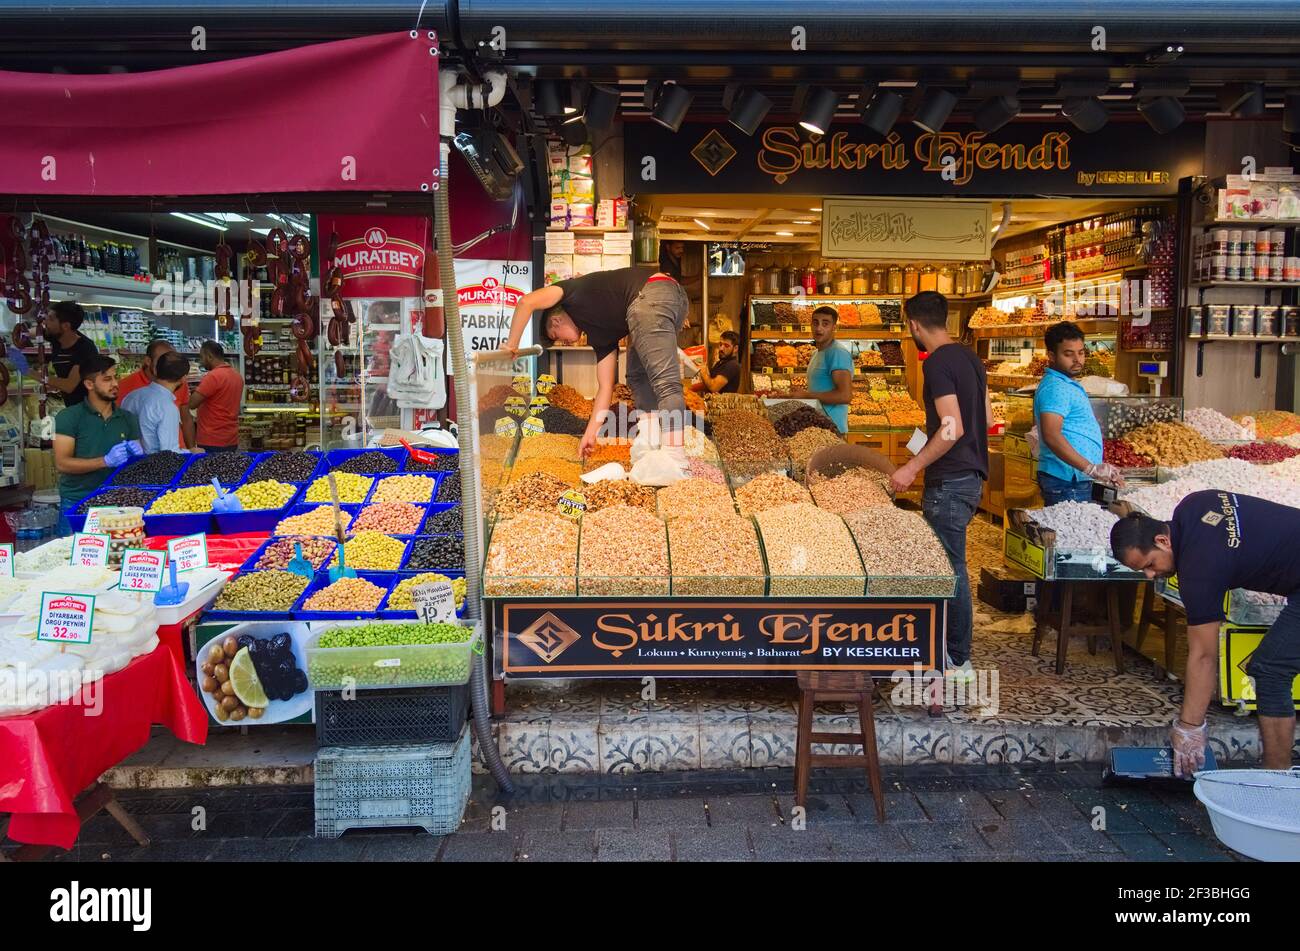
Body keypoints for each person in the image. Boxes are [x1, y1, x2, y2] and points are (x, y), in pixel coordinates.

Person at [1112, 491, 1300, 774]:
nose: (1150, 576)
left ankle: (1276, 782)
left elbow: (1204, 657)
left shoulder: (1197, 569)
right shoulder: (1193, 503)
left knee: (1270, 669)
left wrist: (1189, 728)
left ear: (1162, 541)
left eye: (1150, 565)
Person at [892, 291, 989, 688]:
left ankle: (956, 658)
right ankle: (948, 651)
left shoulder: (937, 364)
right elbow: (978, 416)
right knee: (951, 565)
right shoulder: (969, 357)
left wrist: (911, 467)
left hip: (949, 481)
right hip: (971, 476)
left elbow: (952, 428)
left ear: (914, 324)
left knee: (951, 569)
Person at [503, 266, 691, 462]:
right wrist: (590, 433)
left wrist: (512, 345)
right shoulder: (600, 336)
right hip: (667, 296)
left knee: (666, 384)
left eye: (555, 336)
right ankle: (651, 445)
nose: (562, 342)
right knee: (638, 378)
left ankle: (675, 458)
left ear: (556, 321)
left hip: (653, 294)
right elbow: (605, 387)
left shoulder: (571, 292)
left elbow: (526, 302)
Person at [1033, 321, 1122, 505]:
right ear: (1051, 355)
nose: (1077, 360)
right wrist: (1090, 468)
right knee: (1068, 533)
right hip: (1066, 481)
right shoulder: (1056, 387)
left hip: (1074, 479)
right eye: (1068, 354)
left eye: (1081, 353)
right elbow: (1051, 435)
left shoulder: (1066, 383)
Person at [53, 355, 142, 510]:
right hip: (78, 500)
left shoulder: (127, 418)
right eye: (107, 379)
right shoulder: (68, 417)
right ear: (89, 384)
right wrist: (105, 461)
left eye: (115, 378)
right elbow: (62, 463)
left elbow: (134, 464)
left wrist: (137, 457)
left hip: (118, 500)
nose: (115, 384)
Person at [118, 339, 196, 449]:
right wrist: (192, 454)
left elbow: (186, 418)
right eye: (162, 360)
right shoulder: (166, 406)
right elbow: (169, 453)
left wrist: (190, 448)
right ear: (148, 361)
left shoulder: (133, 396)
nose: (167, 364)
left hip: (136, 461)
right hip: (162, 461)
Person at [788, 306, 853, 433]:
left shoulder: (837, 353)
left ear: (834, 327)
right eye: (815, 322)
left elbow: (845, 395)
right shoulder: (816, 353)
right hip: (818, 426)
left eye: (825, 323)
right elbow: (820, 389)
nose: (819, 328)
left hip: (833, 429)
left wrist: (806, 396)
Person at [190, 341, 244, 452]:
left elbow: (192, 403)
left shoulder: (213, 376)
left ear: (209, 356)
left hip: (211, 439)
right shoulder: (237, 376)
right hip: (231, 438)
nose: (201, 361)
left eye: (202, 357)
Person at [45, 300, 99, 407]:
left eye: (51, 319)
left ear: (65, 326)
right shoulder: (57, 337)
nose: (46, 322)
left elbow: (69, 385)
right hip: (71, 406)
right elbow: (35, 332)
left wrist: (27, 370)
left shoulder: (85, 348)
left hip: (88, 410)